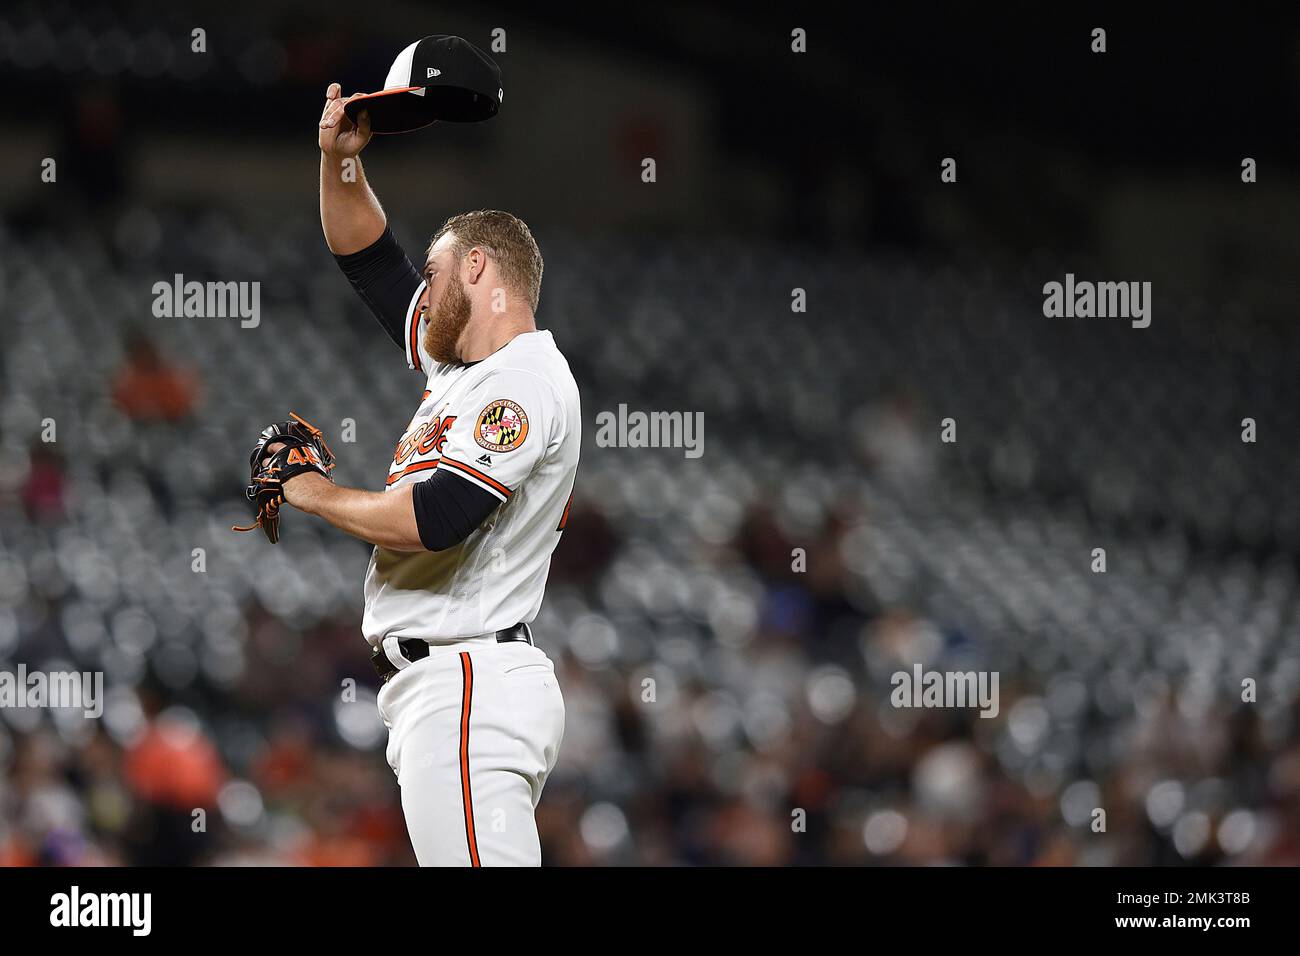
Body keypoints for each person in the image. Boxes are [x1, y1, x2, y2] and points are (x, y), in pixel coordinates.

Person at [259, 83, 579, 865]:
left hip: (467, 676)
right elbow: (369, 260)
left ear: (477, 267)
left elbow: (437, 515)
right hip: (450, 683)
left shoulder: (523, 381)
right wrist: (339, 164)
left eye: (433, 276)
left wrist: (311, 492)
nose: (422, 293)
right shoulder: (463, 368)